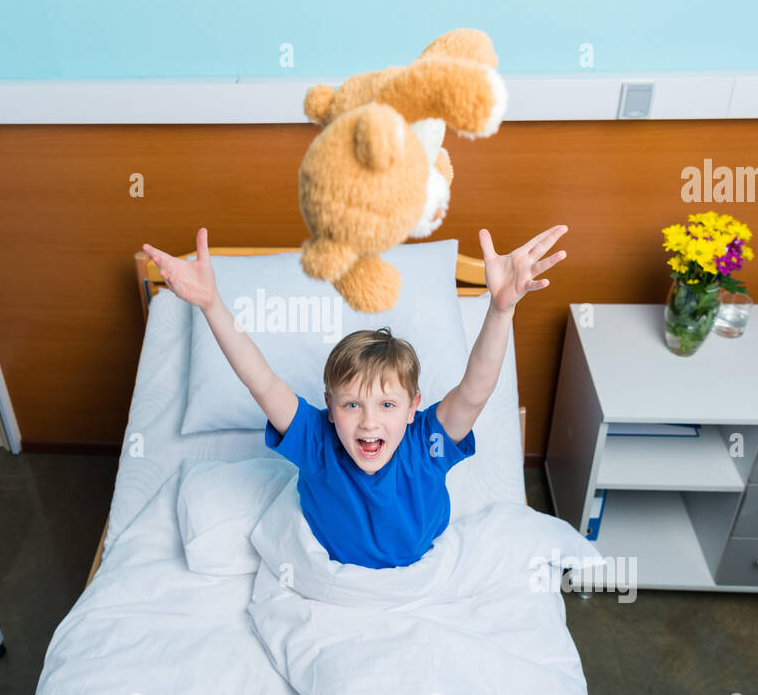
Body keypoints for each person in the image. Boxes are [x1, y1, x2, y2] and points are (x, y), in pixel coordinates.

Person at [141, 224, 567, 568]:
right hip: (329, 575)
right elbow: (262, 382)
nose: (368, 422)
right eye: (351, 405)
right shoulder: (316, 442)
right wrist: (211, 303)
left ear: (414, 407)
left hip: (420, 570)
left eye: (387, 405)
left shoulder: (428, 443)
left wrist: (500, 309)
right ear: (329, 408)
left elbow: (475, 390)